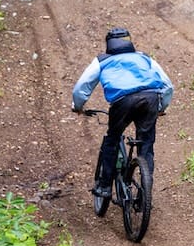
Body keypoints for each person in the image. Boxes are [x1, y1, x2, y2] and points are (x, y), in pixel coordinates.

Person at [71, 27, 173, 206]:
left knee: (112, 139)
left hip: (123, 101)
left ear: (108, 43)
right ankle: (145, 194)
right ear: (129, 41)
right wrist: (161, 107)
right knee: (146, 144)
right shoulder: (144, 57)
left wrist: (78, 106)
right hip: (150, 98)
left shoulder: (102, 60)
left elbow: (82, 86)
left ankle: (104, 186)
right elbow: (167, 85)